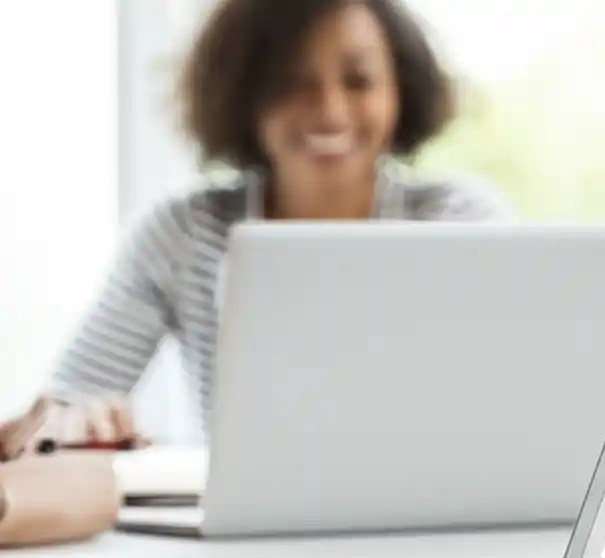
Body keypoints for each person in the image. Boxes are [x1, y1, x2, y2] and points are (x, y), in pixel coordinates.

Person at [1, 0, 512, 456]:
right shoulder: (185, 231)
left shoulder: (459, 219)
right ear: (245, 95)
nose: (330, 110)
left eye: (358, 81)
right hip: (238, 553)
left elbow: (524, 393)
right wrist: (76, 421)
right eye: (293, 82)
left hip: (437, 534)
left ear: (402, 89)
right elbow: (69, 401)